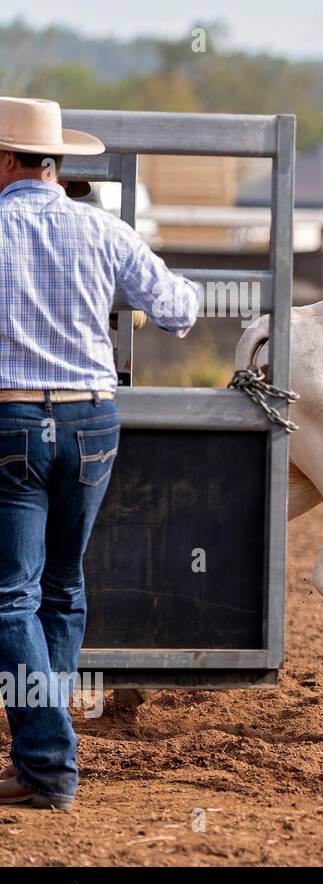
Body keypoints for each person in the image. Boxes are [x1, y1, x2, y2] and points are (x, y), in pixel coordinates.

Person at [0, 96, 201, 810]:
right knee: (61, 586)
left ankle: (48, 760)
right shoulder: (101, 229)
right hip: (92, 418)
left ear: (4, 160)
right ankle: (46, 760)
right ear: (57, 163)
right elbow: (179, 309)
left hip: (11, 417)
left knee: (10, 596)